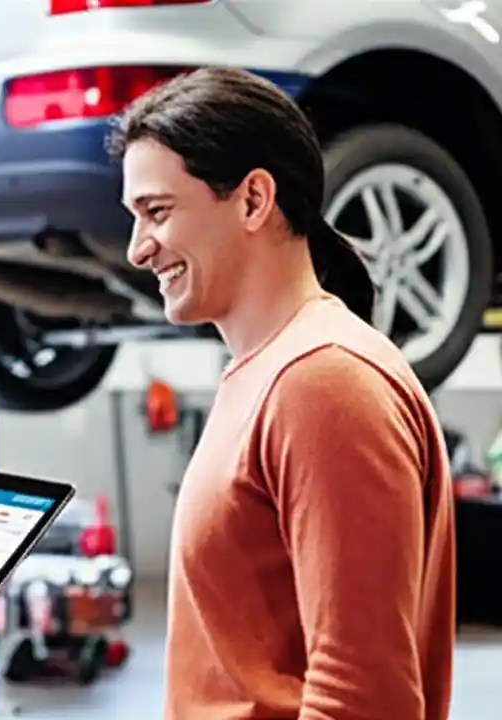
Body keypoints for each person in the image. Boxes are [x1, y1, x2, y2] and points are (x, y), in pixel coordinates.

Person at [106, 67, 456, 719]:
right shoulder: (271, 372)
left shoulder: (323, 383)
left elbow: (364, 699)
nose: (137, 249)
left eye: (157, 211)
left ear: (252, 200)